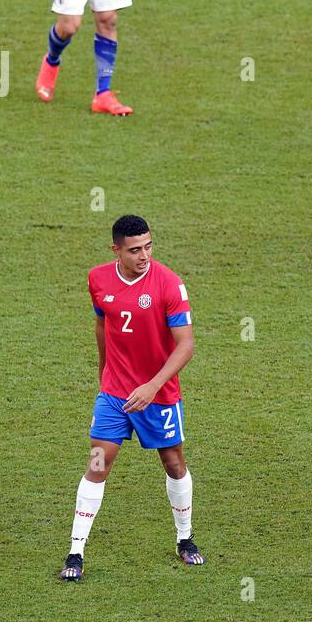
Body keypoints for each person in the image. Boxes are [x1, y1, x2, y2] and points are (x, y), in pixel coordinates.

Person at [60, 215, 202, 581]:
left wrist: (152, 386)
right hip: (115, 393)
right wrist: (104, 369)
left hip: (159, 395)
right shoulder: (98, 278)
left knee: (173, 463)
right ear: (117, 251)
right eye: (136, 249)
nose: (145, 255)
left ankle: (184, 539)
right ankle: (75, 552)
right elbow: (102, 324)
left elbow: (186, 345)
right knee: (97, 464)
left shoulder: (169, 284)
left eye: (149, 246)